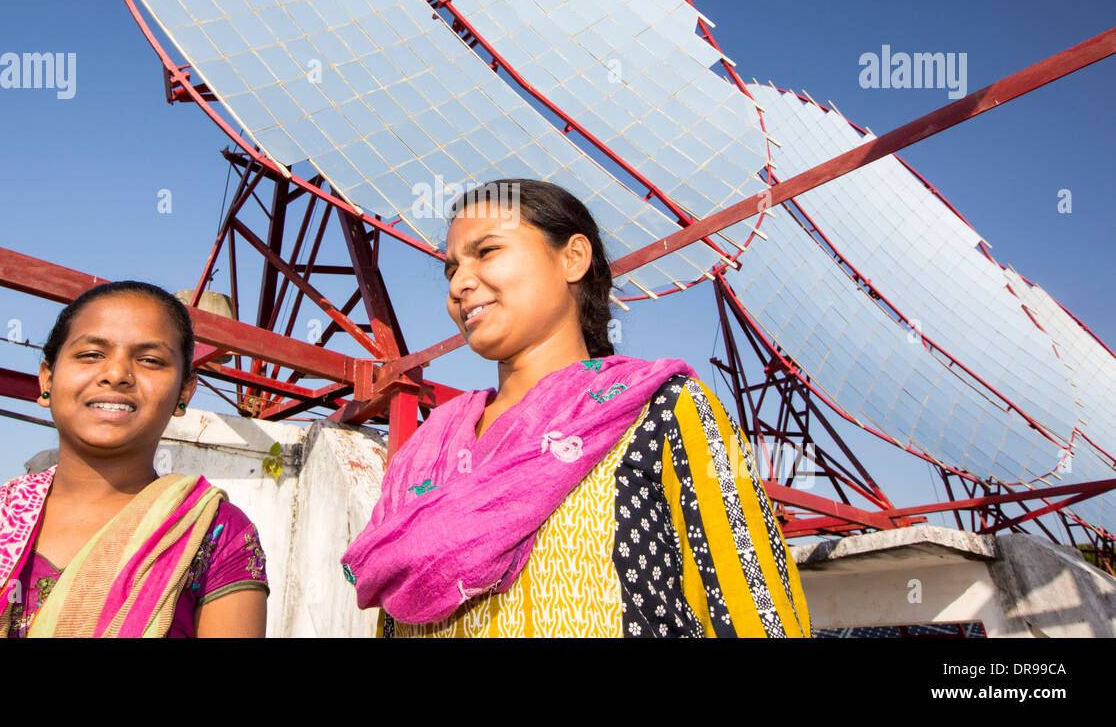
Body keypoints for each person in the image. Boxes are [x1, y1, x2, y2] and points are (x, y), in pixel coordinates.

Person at [342, 179, 811, 637]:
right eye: (451, 270)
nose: (460, 284)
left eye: (486, 252)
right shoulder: (427, 449)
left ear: (573, 258)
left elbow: (752, 607)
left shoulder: (661, 412)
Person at [0, 281, 268, 638]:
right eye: (92, 354)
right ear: (46, 379)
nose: (116, 374)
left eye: (150, 360)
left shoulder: (216, 536)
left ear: (185, 391)